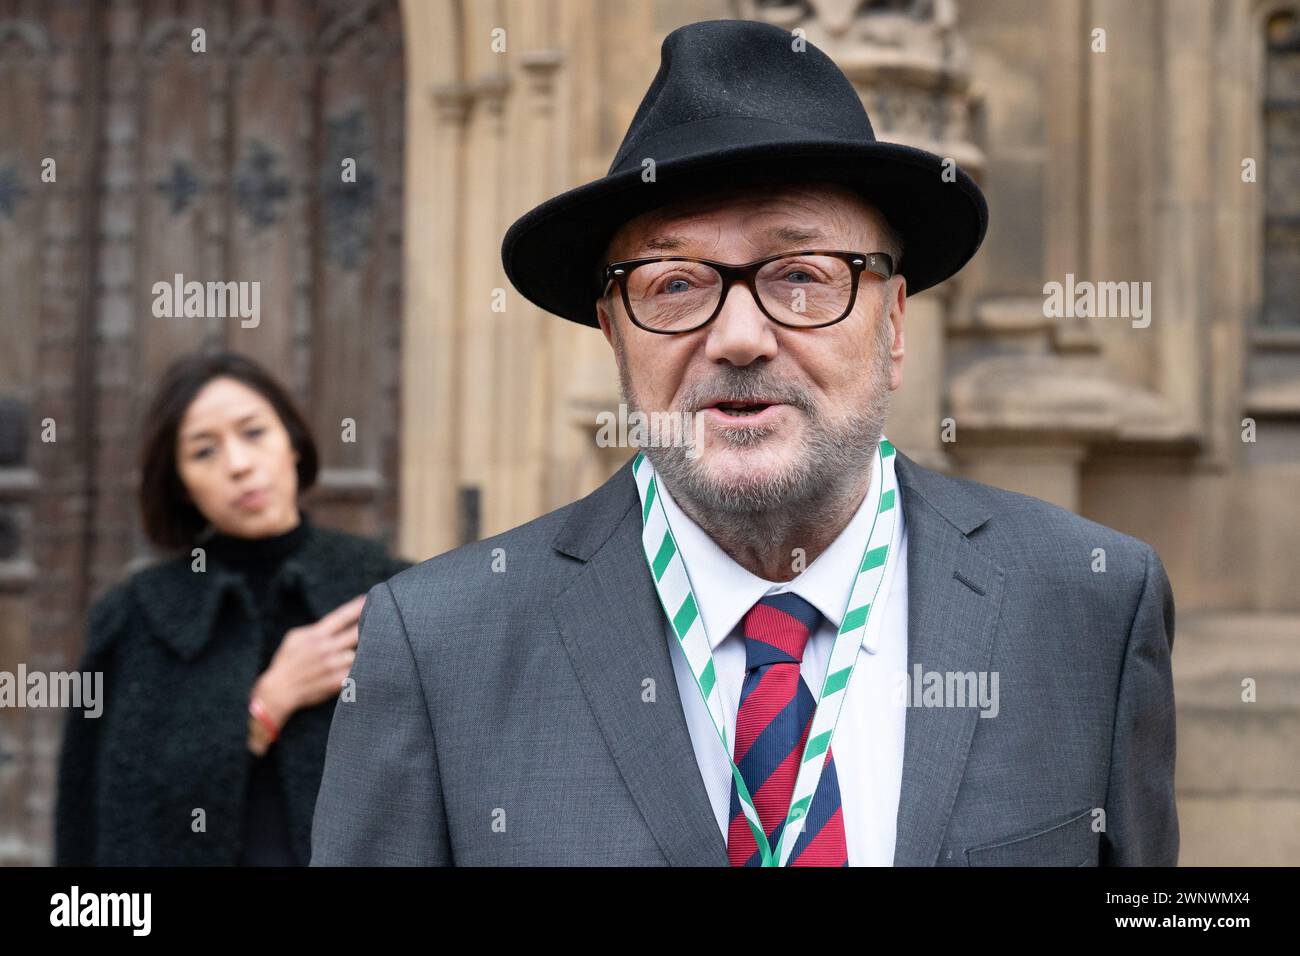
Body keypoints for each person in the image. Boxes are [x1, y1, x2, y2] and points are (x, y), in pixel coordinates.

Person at [311, 19, 1177, 866]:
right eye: (676, 283)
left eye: (800, 276)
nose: (738, 337)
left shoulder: (1088, 604)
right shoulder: (441, 646)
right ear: (615, 333)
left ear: (895, 323)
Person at [54, 351, 411, 865]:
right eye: (204, 452)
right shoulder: (136, 618)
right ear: (180, 484)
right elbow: (105, 813)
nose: (239, 465)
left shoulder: (389, 589)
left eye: (254, 433)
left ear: (291, 440)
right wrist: (265, 706)